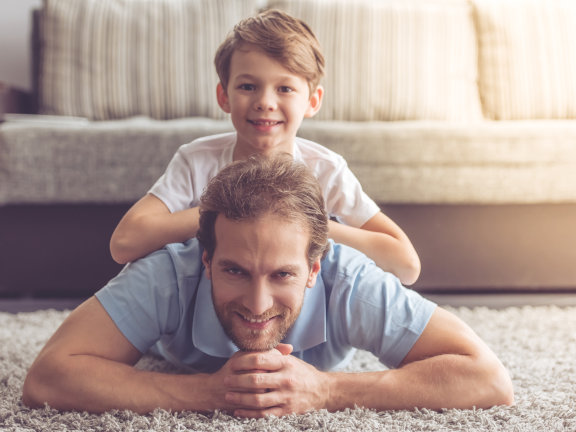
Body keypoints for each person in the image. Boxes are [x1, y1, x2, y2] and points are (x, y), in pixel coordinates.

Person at [23, 155, 514, 417]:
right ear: (208, 259)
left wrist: (325, 391)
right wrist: (209, 394)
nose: (257, 305)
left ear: (315, 268)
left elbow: (487, 378)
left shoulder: (350, 276)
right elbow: (48, 377)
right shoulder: (171, 271)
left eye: (282, 275)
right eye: (235, 270)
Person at [109, 9, 420, 285]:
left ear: (312, 102)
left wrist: (304, 224)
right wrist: (226, 213)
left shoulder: (327, 169)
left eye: (284, 88)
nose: (265, 103)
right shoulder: (196, 160)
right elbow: (124, 243)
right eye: (248, 86)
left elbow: (406, 266)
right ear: (224, 97)